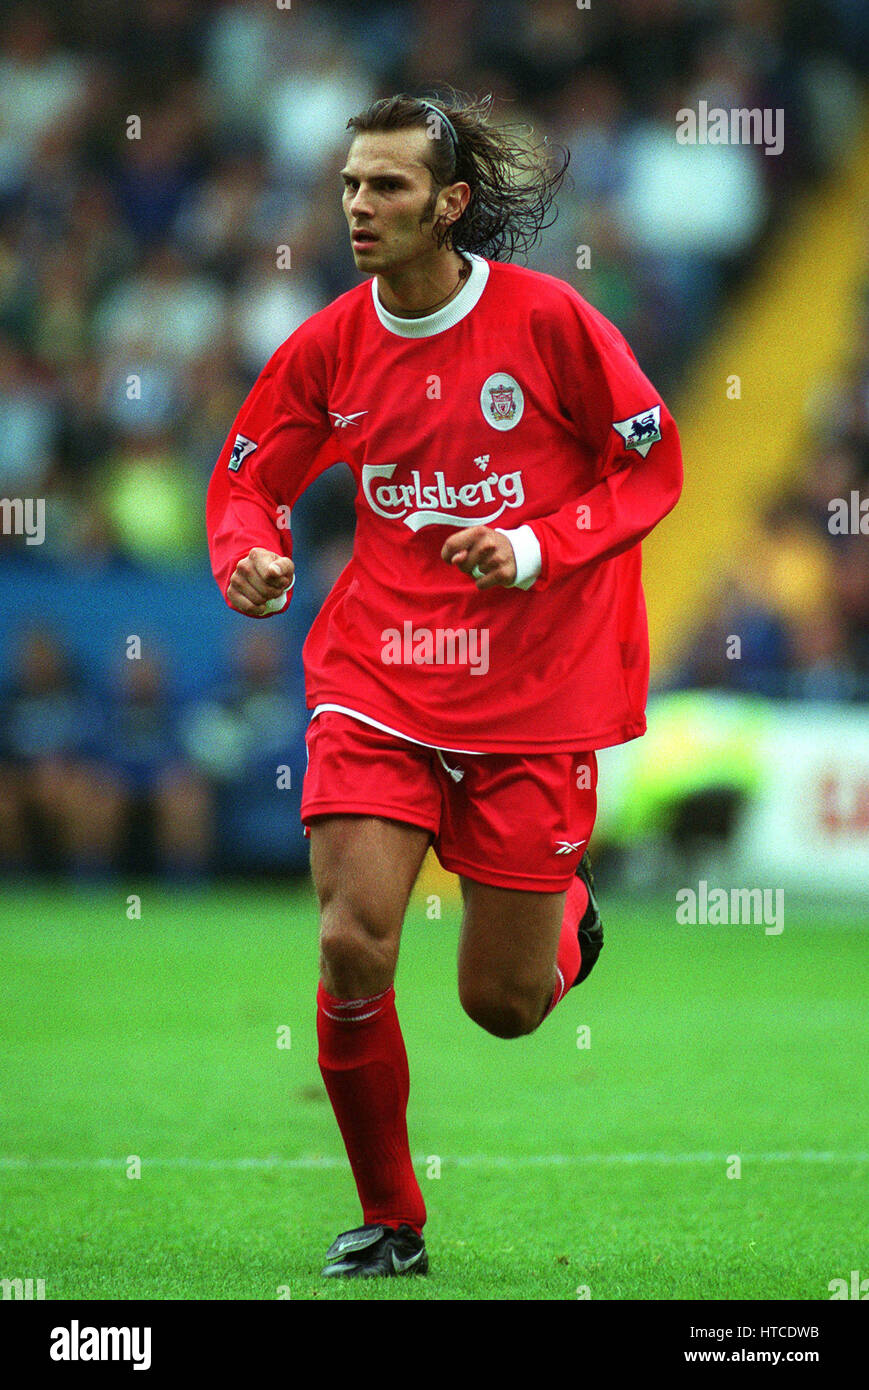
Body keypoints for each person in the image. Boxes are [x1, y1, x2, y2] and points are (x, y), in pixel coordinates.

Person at [206, 93, 683, 1278]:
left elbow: (650, 463)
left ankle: (566, 915)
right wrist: (247, 555)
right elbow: (247, 478)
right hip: (380, 675)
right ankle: (390, 1221)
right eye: (352, 187)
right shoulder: (331, 342)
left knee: (504, 1005)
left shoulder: (551, 322)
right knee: (353, 942)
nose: (360, 209)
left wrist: (532, 544)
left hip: (531, 690)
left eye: (390, 189)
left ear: (450, 203)